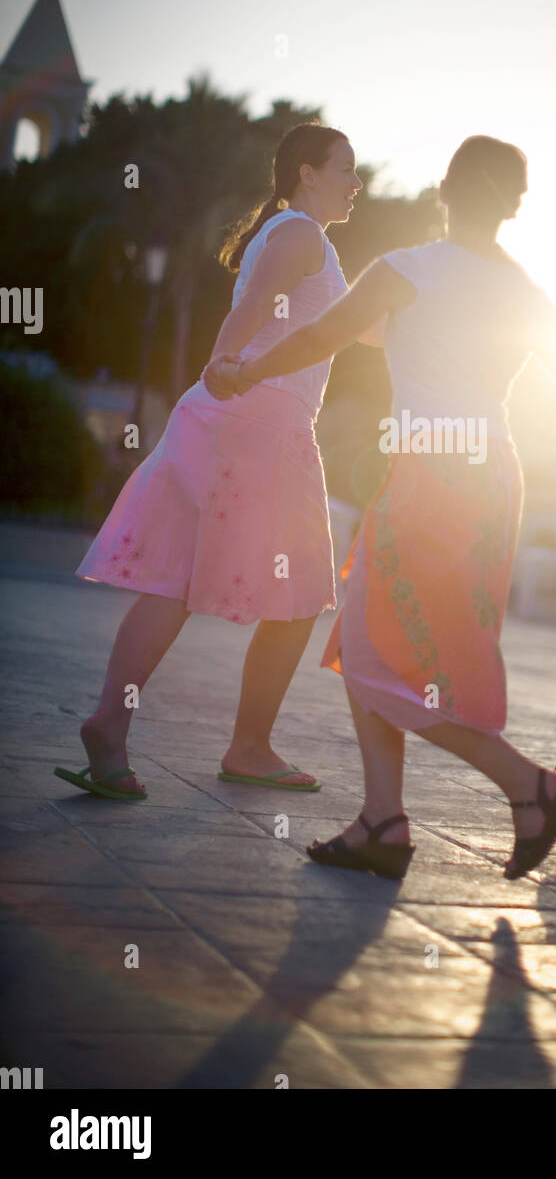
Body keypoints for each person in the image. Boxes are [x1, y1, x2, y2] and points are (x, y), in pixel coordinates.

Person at [204, 135, 556, 879]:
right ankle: (384, 822)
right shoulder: (524, 292)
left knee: (373, 643)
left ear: (443, 190)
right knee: (399, 647)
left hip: (430, 472)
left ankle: (527, 786)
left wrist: (243, 371)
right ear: (515, 205)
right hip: (493, 477)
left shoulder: (408, 269)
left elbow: (319, 336)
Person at [55, 123, 362, 800]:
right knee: (302, 592)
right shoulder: (301, 234)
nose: (356, 183)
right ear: (307, 172)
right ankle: (249, 746)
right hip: (265, 421)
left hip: (236, 417)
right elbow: (255, 312)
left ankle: (110, 726)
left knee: (175, 581)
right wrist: (223, 368)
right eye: (345, 169)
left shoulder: (290, 235)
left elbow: (308, 322)